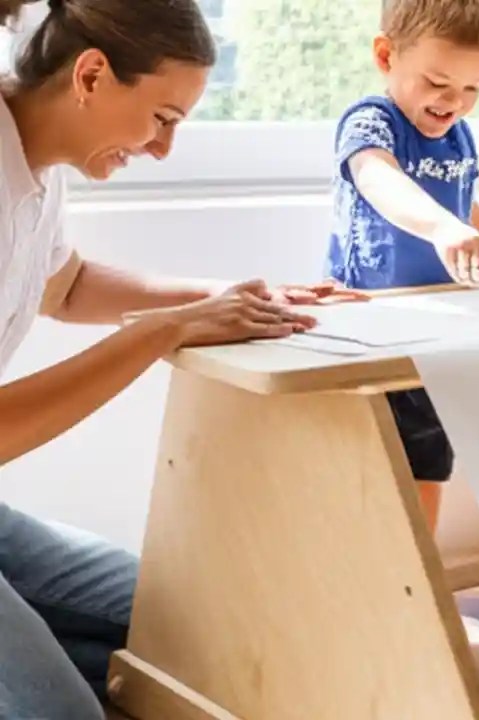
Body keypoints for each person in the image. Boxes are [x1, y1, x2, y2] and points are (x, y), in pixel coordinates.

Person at [0, 1, 357, 717]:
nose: (163, 148)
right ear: (92, 76)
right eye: (162, 118)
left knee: (192, 634)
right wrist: (161, 331)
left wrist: (221, 296)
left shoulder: (41, 167)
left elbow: (63, 284)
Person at [325, 0, 479, 529]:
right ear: (385, 56)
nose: (454, 102)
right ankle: (371, 581)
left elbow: (465, 208)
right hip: (369, 322)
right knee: (369, 464)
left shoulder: (456, 135)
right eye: (438, 83)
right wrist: (443, 228)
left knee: (428, 457)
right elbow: (380, 181)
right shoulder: (372, 123)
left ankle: (419, 584)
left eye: (472, 88)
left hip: (431, 326)